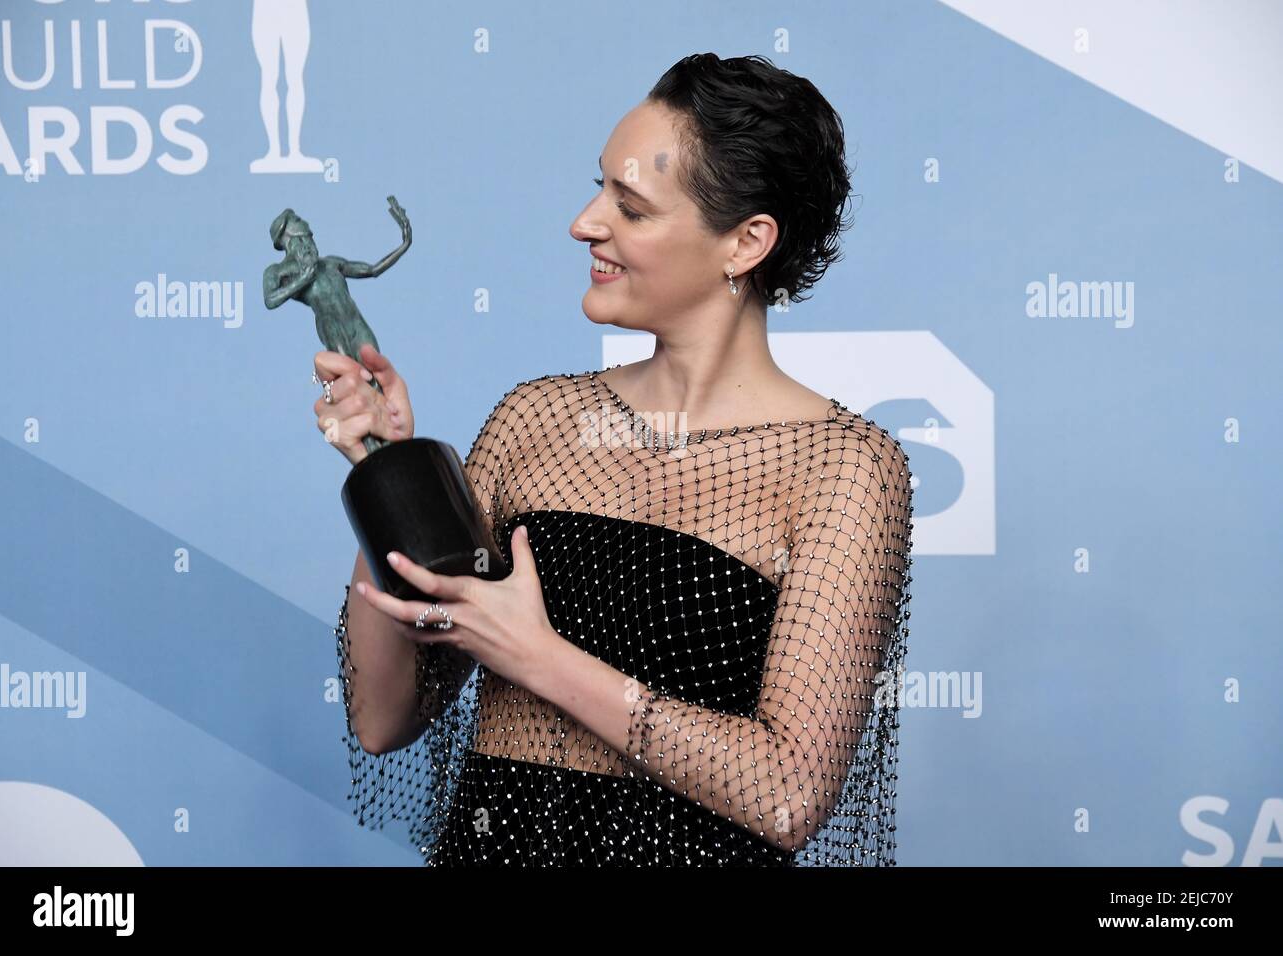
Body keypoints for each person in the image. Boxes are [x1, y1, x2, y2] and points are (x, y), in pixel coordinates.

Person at [313, 53, 915, 867]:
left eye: (629, 207)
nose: (586, 222)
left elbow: (789, 793)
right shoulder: (536, 418)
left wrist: (536, 655)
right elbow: (384, 718)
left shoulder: (845, 468)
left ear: (746, 241)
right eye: (599, 188)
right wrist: (391, 472)